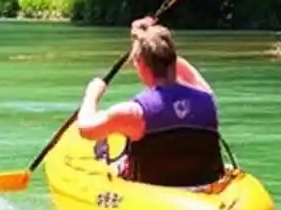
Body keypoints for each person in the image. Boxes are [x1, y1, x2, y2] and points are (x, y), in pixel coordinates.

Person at [74, 16, 227, 190]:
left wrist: (92, 93)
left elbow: (85, 128)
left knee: (102, 143)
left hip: (151, 193)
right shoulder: (207, 100)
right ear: (172, 59)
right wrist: (150, 40)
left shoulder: (134, 113)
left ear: (140, 64)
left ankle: (102, 155)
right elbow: (176, 64)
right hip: (203, 188)